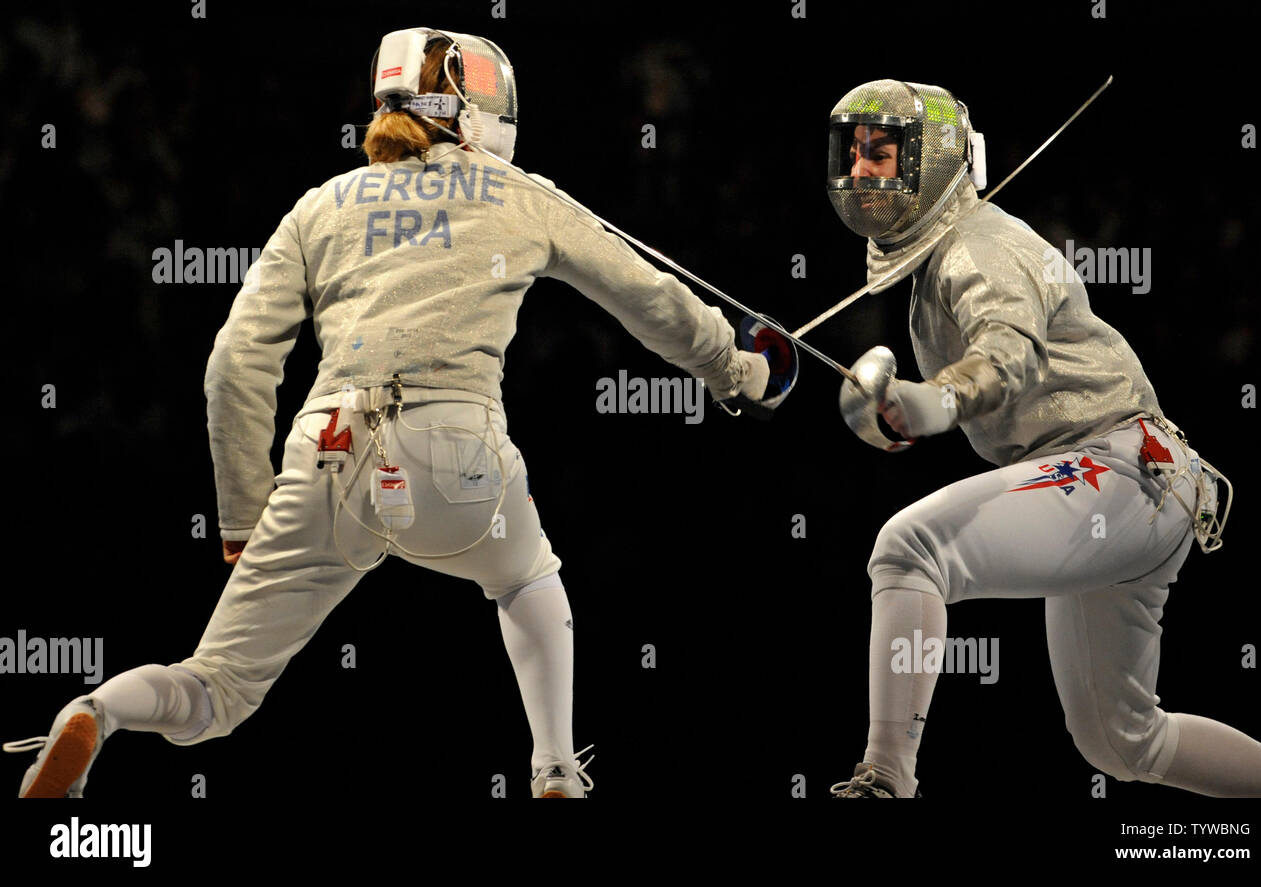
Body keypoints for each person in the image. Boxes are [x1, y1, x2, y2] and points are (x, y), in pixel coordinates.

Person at [3, 27, 768, 800]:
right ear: (470, 107)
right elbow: (650, 298)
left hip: (326, 451)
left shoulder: (320, 206)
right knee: (527, 577)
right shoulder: (520, 193)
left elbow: (232, 364)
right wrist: (739, 369)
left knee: (218, 687)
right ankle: (556, 768)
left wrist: (241, 515)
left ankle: (94, 710)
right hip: (457, 452)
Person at [823, 80, 1261, 798]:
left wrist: (941, 399)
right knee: (1122, 739)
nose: (861, 173)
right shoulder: (938, 264)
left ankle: (885, 781)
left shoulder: (977, 247)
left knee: (910, 546)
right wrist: (903, 410)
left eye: (880, 154)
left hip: (1120, 470)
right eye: (854, 155)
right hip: (1128, 487)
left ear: (933, 162)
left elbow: (1009, 351)